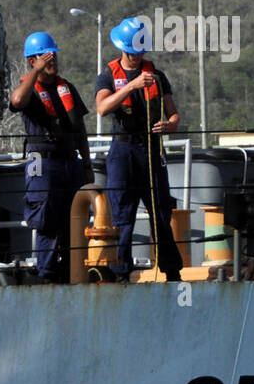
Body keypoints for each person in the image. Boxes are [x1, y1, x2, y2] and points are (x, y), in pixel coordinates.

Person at [94, 17, 182, 283]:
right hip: (122, 151)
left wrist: (169, 125)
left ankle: (172, 271)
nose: (136, 57)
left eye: (140, 52)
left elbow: (175, 116)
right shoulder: (108, 75)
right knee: (123, 214)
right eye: (132, 52)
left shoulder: (158, 76)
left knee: (160, 212)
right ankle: (121, 273)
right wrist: (131, 87)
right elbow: (102, 107)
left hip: (151, 150)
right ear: (122, 48)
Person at [9, 31, 94, 283]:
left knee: (74, 221)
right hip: (43, 165)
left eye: (53, 55)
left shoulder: (67, 88)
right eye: (45, 56)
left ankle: (72, 275)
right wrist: (36, 72)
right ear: (32, 60)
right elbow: (16, 100)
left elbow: (80, 130)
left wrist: (87, 164)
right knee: (47, 222)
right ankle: (47, 277)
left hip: (70, 162)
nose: (51, 59)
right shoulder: (29, 89)